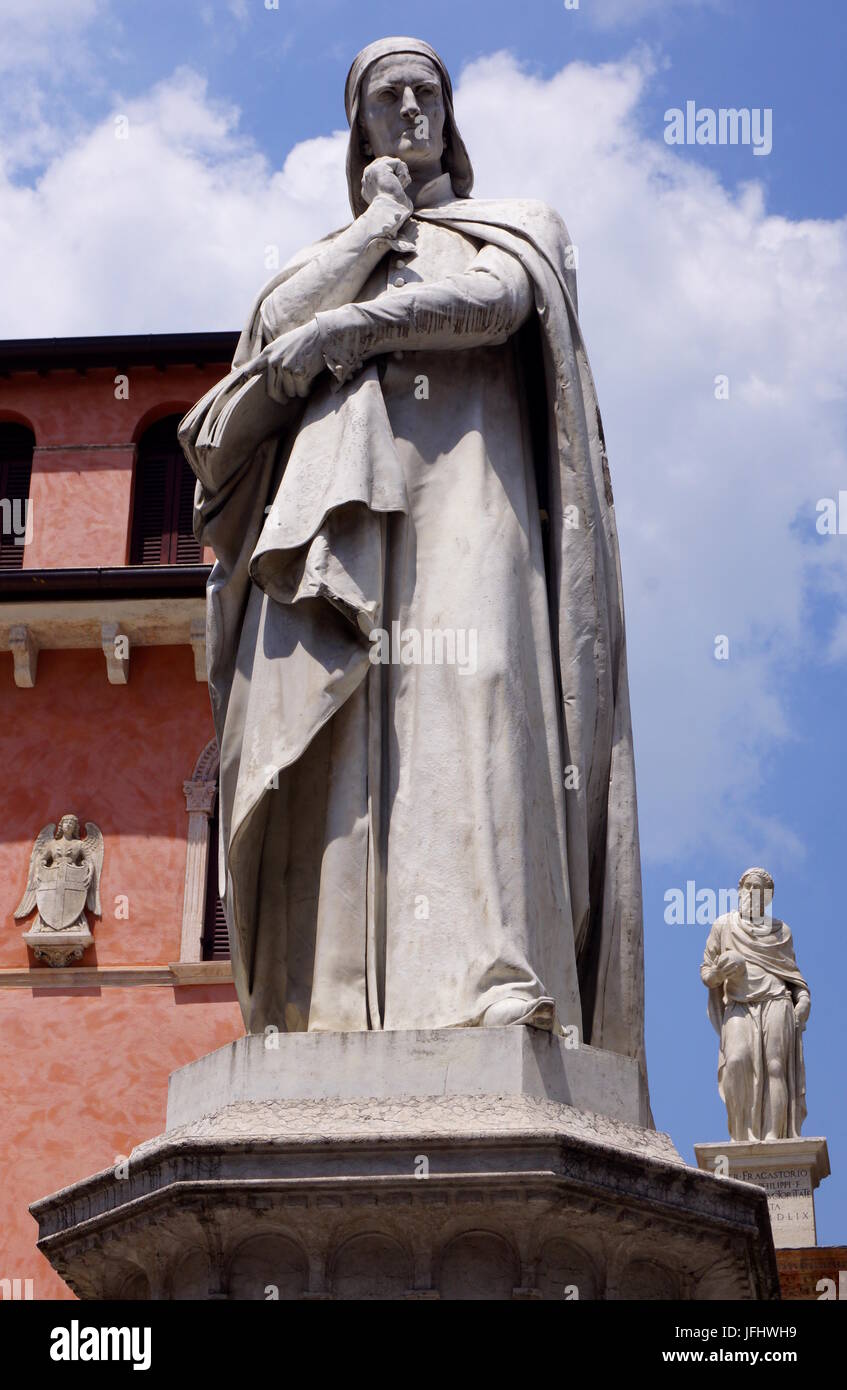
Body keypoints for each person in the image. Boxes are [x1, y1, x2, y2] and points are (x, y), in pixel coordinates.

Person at [180, 37, 645, 1069]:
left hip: (470, 494)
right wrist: (377, 228)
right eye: (387, 96)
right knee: (343, 731)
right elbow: (273, 334)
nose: (409, 106)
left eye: (425, 91)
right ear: (359, 129)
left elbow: (494, 304)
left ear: (449, 111)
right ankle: (332, 1002)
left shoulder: (515, 226)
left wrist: (354, 332)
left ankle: (494, 976)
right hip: (341, 515)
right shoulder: (325, 258)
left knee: (479, 697)